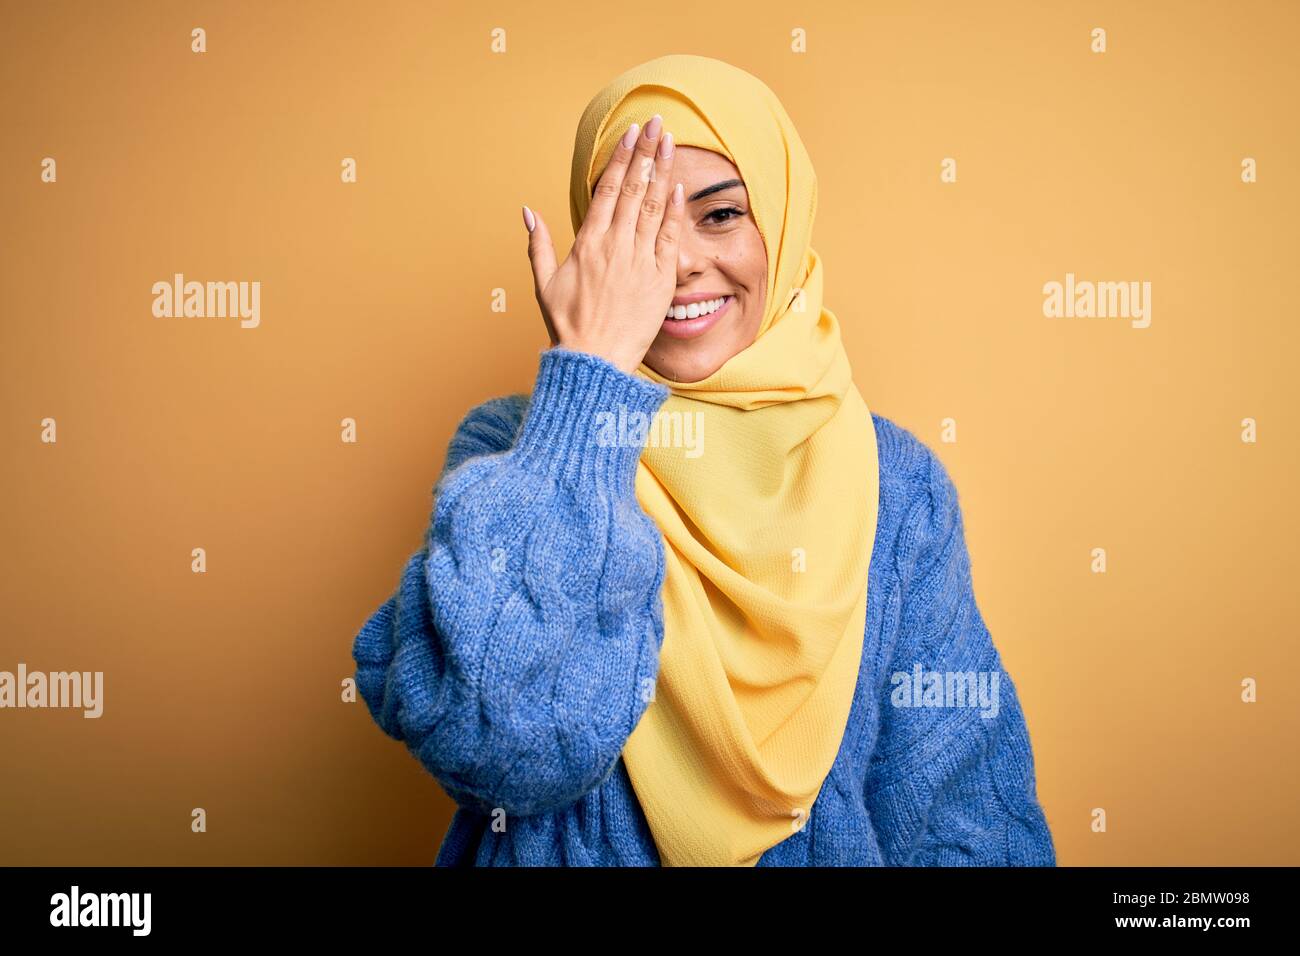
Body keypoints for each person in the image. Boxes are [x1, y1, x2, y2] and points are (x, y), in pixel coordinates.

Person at [351, 53, 1056, 867]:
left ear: (783, 226)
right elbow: (500, 747)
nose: (680, 261)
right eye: (638, 224)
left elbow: (960, 822)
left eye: (719, 215)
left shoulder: (897, 488)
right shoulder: (515, 449)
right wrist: (590, 387)